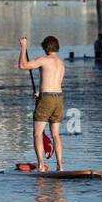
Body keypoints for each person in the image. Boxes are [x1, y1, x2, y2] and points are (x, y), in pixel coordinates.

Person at [19, 35, 65, 172]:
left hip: (47, 99)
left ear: (45, 48)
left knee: (37, 133)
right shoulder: (61, 63)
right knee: (56, 134)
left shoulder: (44, 60)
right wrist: (40, 94)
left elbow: (23, 66)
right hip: (58, 98)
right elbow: (53, 83)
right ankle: (60, 166)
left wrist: (23, 47)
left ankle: (40, 166)